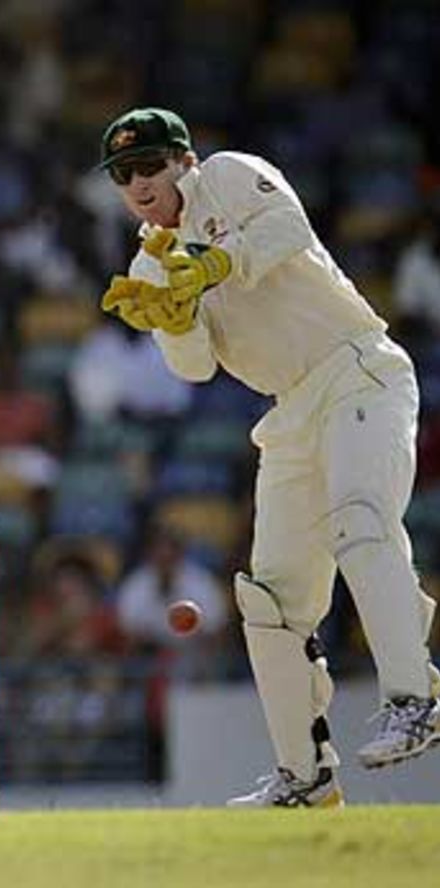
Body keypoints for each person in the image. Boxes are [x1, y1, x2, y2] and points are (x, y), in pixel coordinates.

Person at [97, 107, 439, 808]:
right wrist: (177, 315)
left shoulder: (228, 175)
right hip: (289, 412)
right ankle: (304, 776)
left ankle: (417, 698)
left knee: (360, 522)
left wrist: (218, 264)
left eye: (149, 167)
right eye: (124, 175)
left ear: (183, 161)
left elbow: (289, 228)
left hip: (356, 370)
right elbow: (192, 369)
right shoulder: (146, 262)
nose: (137, 184)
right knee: (270, 602)